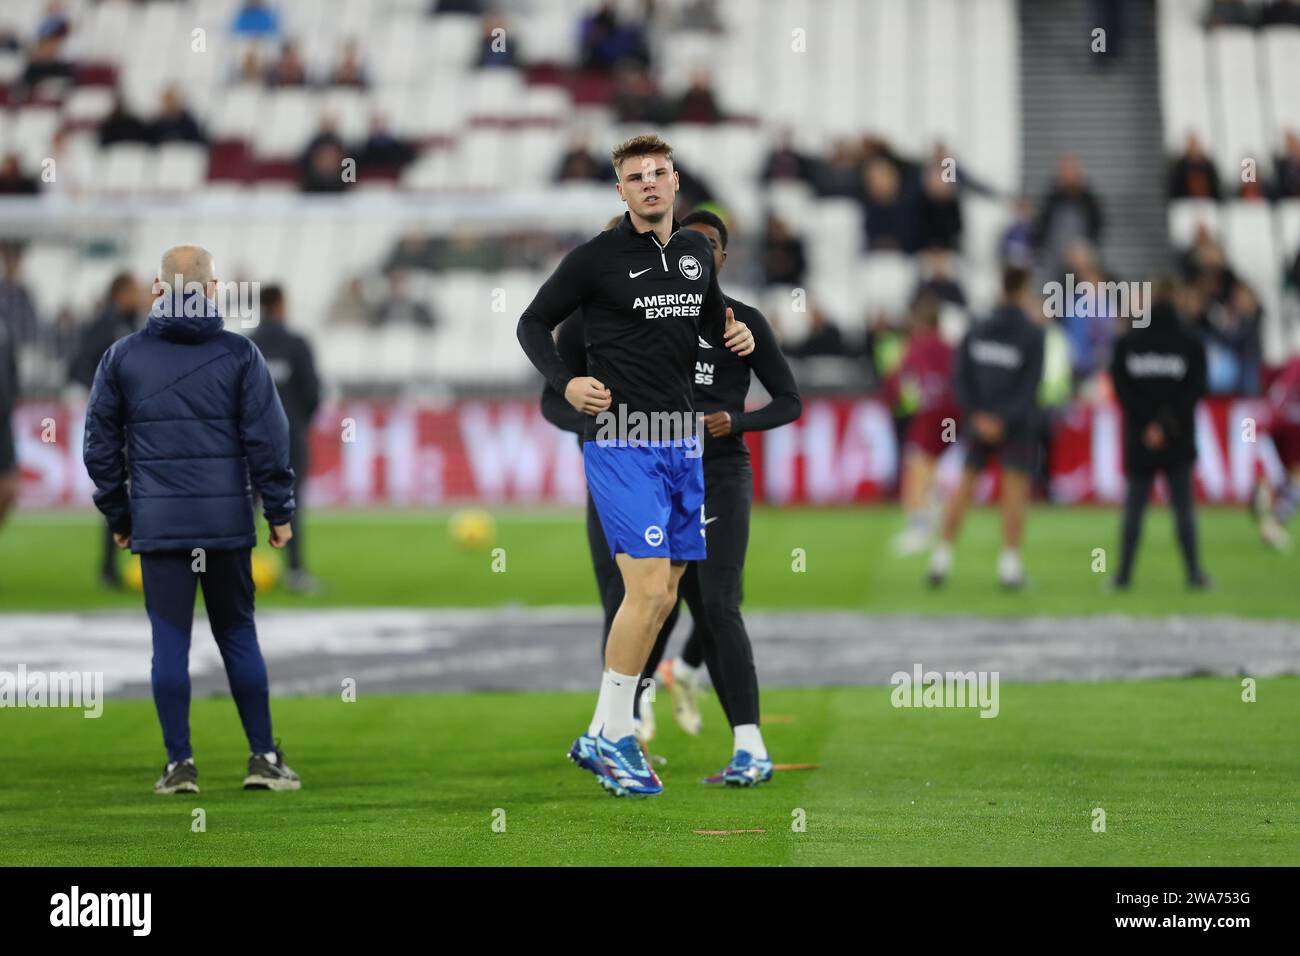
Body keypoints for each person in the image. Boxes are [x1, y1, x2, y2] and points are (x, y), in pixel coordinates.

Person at [517, 134, 754, 798]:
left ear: (676, 182)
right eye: (633, 176)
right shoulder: (593, 260)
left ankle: (605, 730)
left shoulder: (691, 256)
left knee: (669, 595)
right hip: (622, 441)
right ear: (620, 191)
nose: (648, 183)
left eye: (658, 173)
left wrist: (736, 331)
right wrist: (566, 384)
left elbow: (707, 316)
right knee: (646, 592)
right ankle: (613, 735)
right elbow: (532, 324)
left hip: (682, 443)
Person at [82, 245, 302, 795]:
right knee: (237, 635)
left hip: (158, 525)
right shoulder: (240, 356)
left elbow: (99, 448)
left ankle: (180, 765)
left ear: (157, 289)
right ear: (212, 288)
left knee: (170, 641)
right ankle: (264, 758)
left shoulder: (122, 358)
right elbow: (270, 442)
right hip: (225, 523)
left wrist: (119, 511)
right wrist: (278, 512)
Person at [646, 208, 801, 786]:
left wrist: (734, 421)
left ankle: (751, 747)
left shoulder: (746, 322)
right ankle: (627, 722)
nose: (701, 250)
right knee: (661, 600)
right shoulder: (651, 319)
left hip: (719, 473)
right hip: (661, 473)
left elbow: (789, 401)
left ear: (724, 257)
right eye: (690, 241)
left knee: (719, 603)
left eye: (711, 243)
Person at [927, 265, 1045, 589]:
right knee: (1013, 494)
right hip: (1016, 425)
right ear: (1024, 289)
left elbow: (961, 378)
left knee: (962, 490)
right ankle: (1009, 567)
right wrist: (1003, 419)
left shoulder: (977, 327)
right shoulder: (1033, 335)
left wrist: (978, 415)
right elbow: (1030, 386)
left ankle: (940, 560)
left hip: (978, 422)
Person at [1108, 278, 1210, 589]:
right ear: (1176, 297)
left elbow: (1122, 389)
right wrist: (1166, 424)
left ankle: (1123, 576)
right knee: (1183, 509)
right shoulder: (1191, 342)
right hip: (1178, 436)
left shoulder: (1129, 342)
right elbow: (1195, 390)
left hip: (1140, 436)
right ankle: (1194, 574)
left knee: (1134, 508)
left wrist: (1148, 424)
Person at [69, 272, 144, 589]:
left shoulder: (131, 324)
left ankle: (125, 564)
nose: (140, 295)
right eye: (135, 291)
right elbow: (78, 367)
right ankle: (110, 568)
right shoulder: (104, 326)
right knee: (121, 487)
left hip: (131, 417)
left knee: (131, 488)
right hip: (116, 421)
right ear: (120, 293)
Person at [251, 285, 321, 594]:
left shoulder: (244, 345)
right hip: (288, 436)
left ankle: (230, 573)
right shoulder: (296, 344)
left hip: (249, 438)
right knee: (289, 503)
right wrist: (298, 423)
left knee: (242, 505)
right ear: (279, 305)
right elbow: (313, 394)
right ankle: (295, 572)